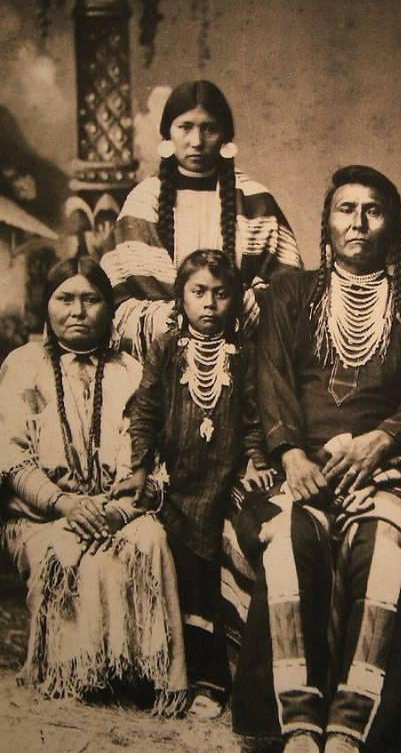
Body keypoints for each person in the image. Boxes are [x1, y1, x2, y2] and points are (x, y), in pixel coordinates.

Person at [231, 165, 401, 753]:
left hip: (384, 473)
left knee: (382, 546)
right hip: (295, 470)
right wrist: (292, 454)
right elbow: (269, 378)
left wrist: (380, 443)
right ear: (326, 224)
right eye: (345, 209)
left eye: (373, 210)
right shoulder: (290, 294)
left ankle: (356, 725)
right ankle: (296, 722)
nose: (358, 221)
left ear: (393, 226)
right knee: (291, 537)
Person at [0, 257, 186, 714]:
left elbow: (152, 459)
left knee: (150, 538)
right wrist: (65, 504)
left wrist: (119, 511)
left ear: (110, 307)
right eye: (65, 299)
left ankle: (150, 674)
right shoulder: (22, 366)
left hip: (118, 510)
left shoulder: (132, 371)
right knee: (69, 552)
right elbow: (11, 458)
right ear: (47, 306)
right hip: (43, 518)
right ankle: (84, 671)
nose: (78, 311)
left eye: (91, 299)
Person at [113, 249, 273, 717]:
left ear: (237, 299)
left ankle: (215, 681)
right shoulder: (165, 348)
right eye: (198, 292)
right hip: (175, 480)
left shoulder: (245, 354)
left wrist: (256, 460)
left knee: (218, 573)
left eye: (221, 294)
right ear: (180, 298)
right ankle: (166, 674)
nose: (209, 304)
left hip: (224, 479)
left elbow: (253, 415)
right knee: (179, 573)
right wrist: (141, 468)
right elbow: (145, 412)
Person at [101, 79, 302, 358]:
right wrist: (176, 318)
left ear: (224, 137)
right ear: (168, 135)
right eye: (185, 127)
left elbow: (289, 287)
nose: (196, 142)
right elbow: (117, 296)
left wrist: (247, 304)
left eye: (208, 128)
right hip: (159, 358)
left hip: (246, 355)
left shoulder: (255, 200)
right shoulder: (144, 202)